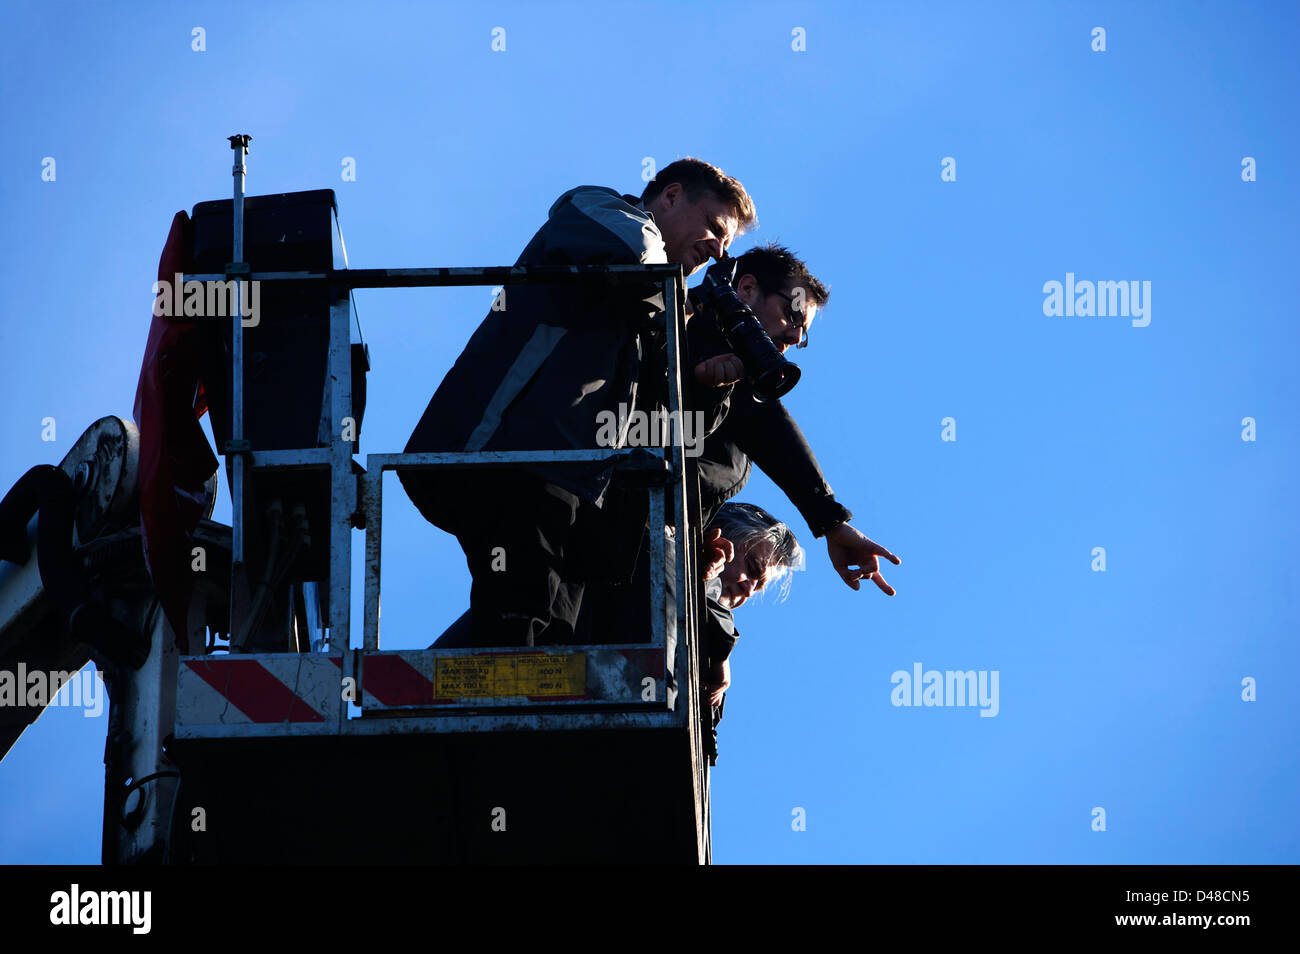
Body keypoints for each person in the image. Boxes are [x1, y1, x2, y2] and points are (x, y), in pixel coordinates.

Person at [400, 159, 756, 648]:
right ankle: (480, 710)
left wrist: (713, 382)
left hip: (570, 479)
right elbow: (629, 246)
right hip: (509, 449)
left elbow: (669, 421)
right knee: (520, 612)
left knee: (555, 632)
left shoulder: (660, 303)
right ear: (670, 196)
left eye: (727, 244)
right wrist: (678, 302)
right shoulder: (595, 207)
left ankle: (450, 705)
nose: (717, 251)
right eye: (716, 229)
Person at [691, 243, 902, 597]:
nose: (795, 337)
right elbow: (765, 420)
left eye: (804, 335)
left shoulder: (738, 390)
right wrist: (831, 521)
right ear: (745, 289)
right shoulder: (685, 327)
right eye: (792, 314)